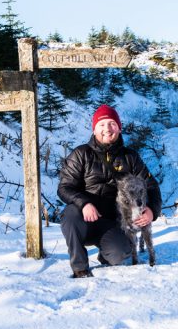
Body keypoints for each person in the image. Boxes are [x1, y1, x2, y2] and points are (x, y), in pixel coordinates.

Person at [58, 104, 162, 278]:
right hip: (84, 219)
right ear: (94, 129)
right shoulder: (81, 154)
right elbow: (64, 187)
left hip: (115, 221)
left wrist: (152, 210)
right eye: (102, 124)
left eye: (112, 123)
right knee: (70, 215)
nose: (107, 128)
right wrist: (84, 204)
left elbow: (151, 186)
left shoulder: (131, 157)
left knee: (119, 252)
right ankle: (80, 268)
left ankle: (106, 253)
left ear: (119, 128)